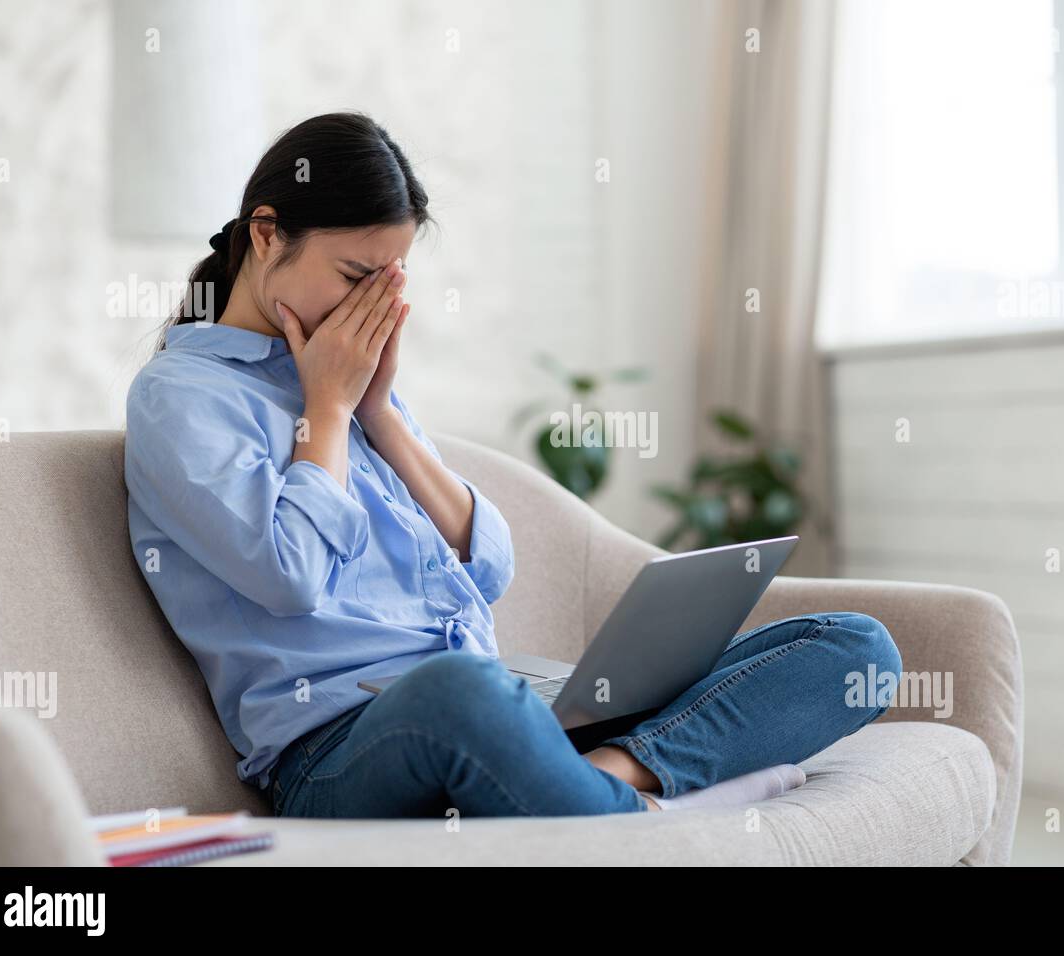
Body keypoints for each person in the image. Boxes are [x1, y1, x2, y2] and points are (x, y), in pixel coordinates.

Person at [124, 111, 902, 818]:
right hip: (342, 750)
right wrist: (325, 411)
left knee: (853, 645)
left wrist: (378, 414)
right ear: (267, 235)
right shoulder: (181, 398)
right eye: (355, 277)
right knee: (464, 694)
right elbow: (288, 575)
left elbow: (489, 565)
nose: (369, 310)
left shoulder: (353, 387)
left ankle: (613, 777)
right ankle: (647, 816)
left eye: (389, 283)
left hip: (500, 708)